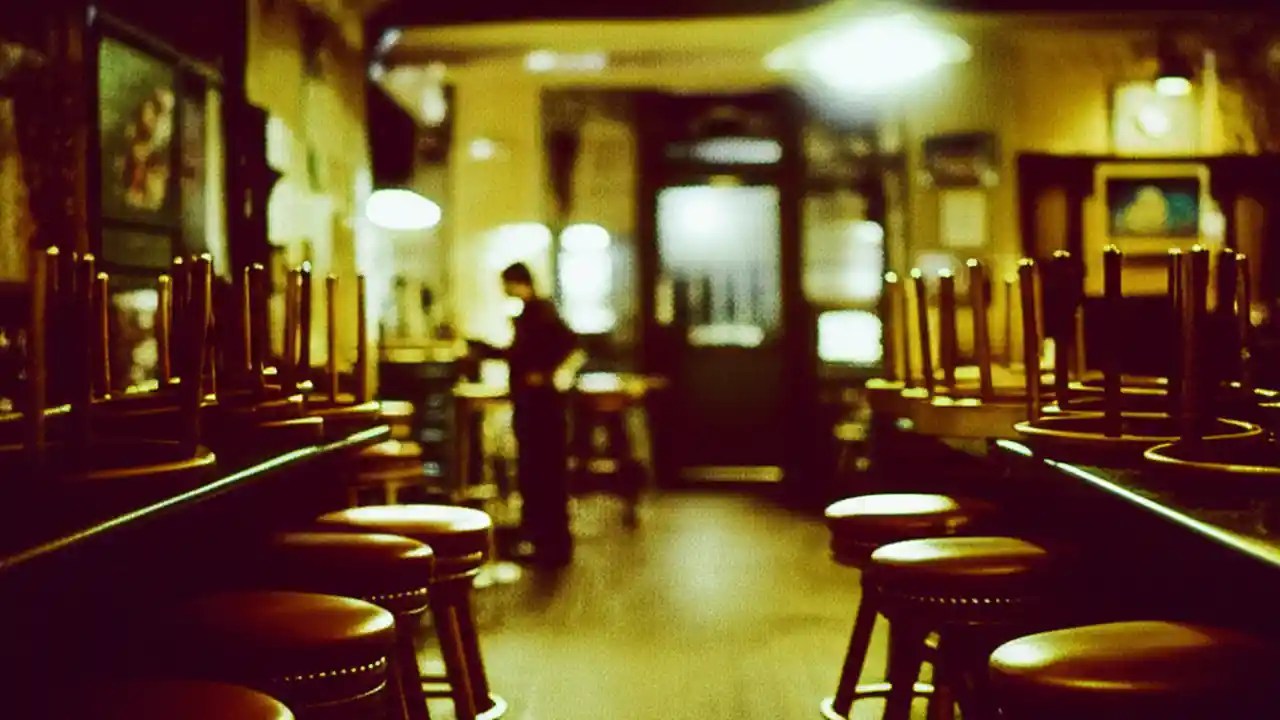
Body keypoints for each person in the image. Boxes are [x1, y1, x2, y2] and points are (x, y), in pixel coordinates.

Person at [470, 263, 579, 565]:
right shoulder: (538, 313)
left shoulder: (537, 314)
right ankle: (547, 541)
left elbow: (564, 344)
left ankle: (546, 542)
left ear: (517, 283)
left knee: (539, 474)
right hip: (539, 405)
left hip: (538, 407)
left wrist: (542, 374)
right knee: (543, 474)